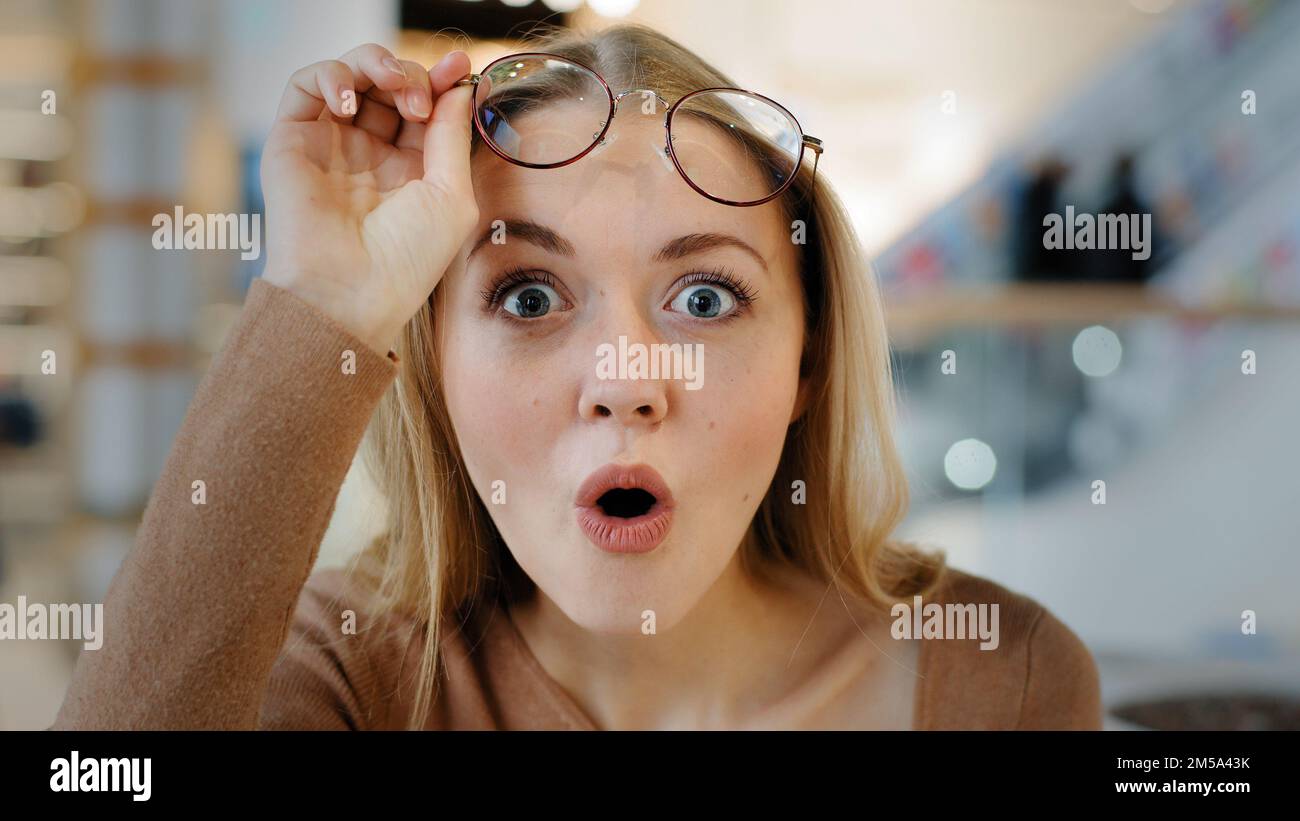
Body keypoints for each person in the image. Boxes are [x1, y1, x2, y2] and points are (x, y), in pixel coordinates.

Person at [53, 23, 1100, 730]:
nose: (624, 379)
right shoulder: (346, 674)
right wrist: (326, 298)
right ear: (436, 367)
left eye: (703, 298)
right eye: (526, 296)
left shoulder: (1003, 679)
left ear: (808, 364)